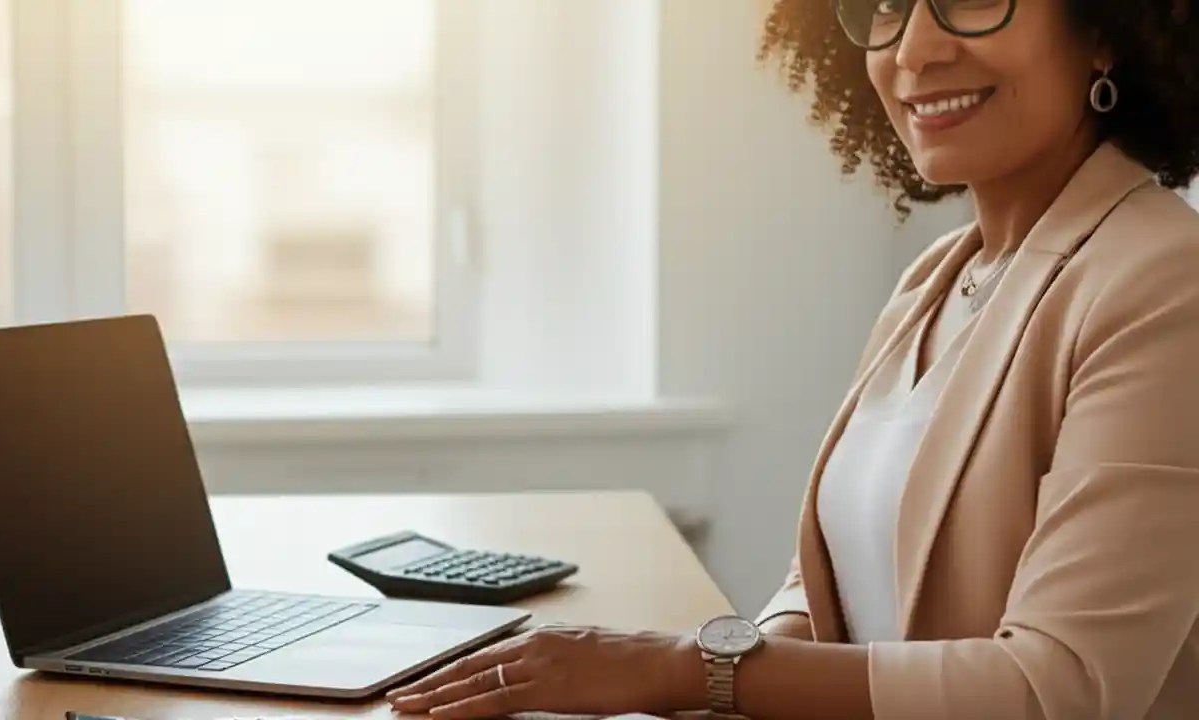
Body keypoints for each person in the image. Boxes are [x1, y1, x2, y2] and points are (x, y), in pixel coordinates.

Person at [385, 0, 1199, 716]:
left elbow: (1058, 688)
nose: (913, 49)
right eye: (886, 4)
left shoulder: (1163, 284)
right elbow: (822, 592)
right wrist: (708, 686)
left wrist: (686, 672)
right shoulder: (937, 278)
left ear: (1104, 29)